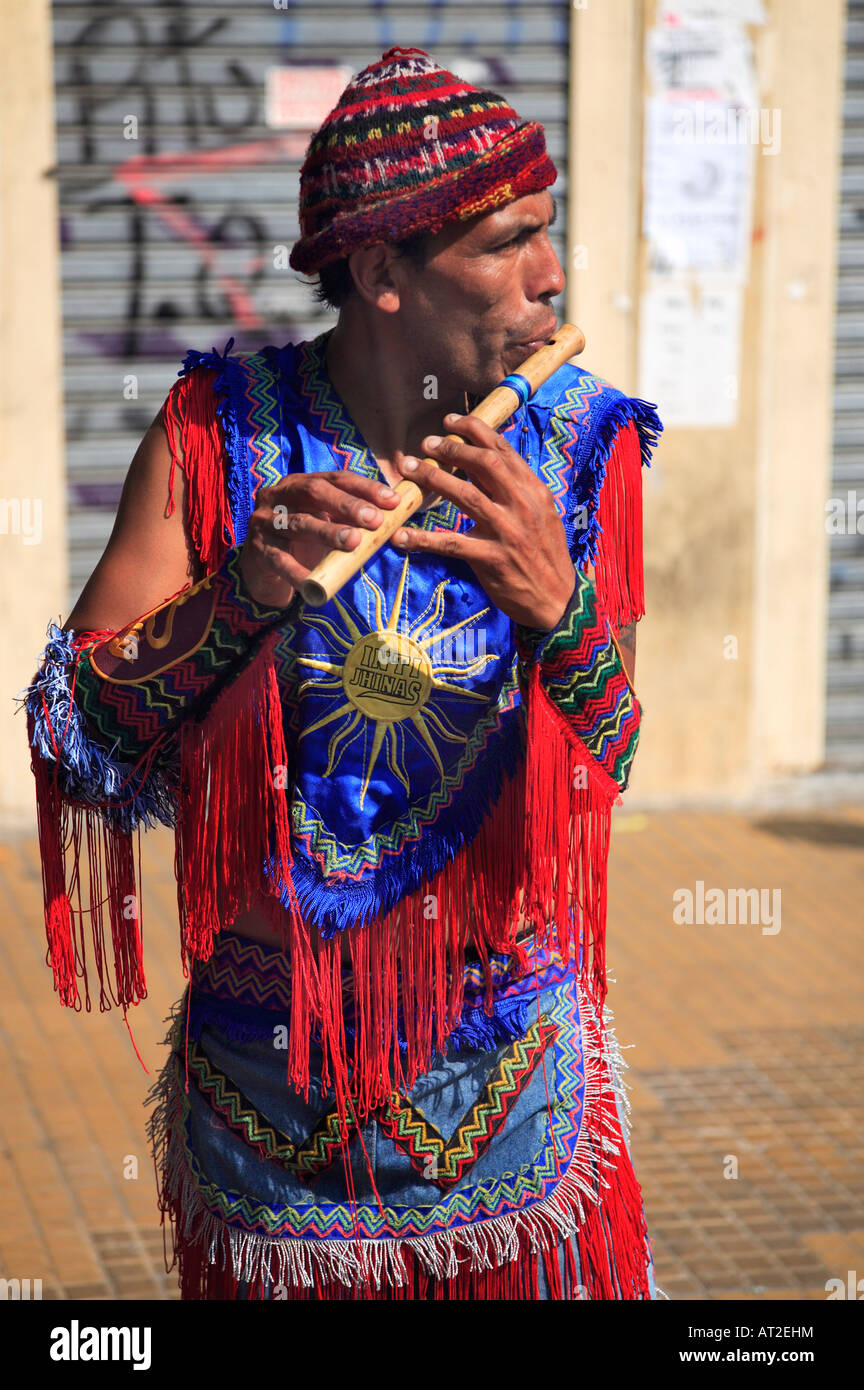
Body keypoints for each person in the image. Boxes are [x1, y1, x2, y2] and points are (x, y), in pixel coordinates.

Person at [23, 47, 662, 1300]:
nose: (551, 275)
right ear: (378, 273)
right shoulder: (218, 436)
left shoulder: (586, 446)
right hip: (271, 1093)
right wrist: (241, 595)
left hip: (505, 1082)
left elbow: (619, 745)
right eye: (507, 242)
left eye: (551, 232)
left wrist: (557, 605)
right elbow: (75, 733)